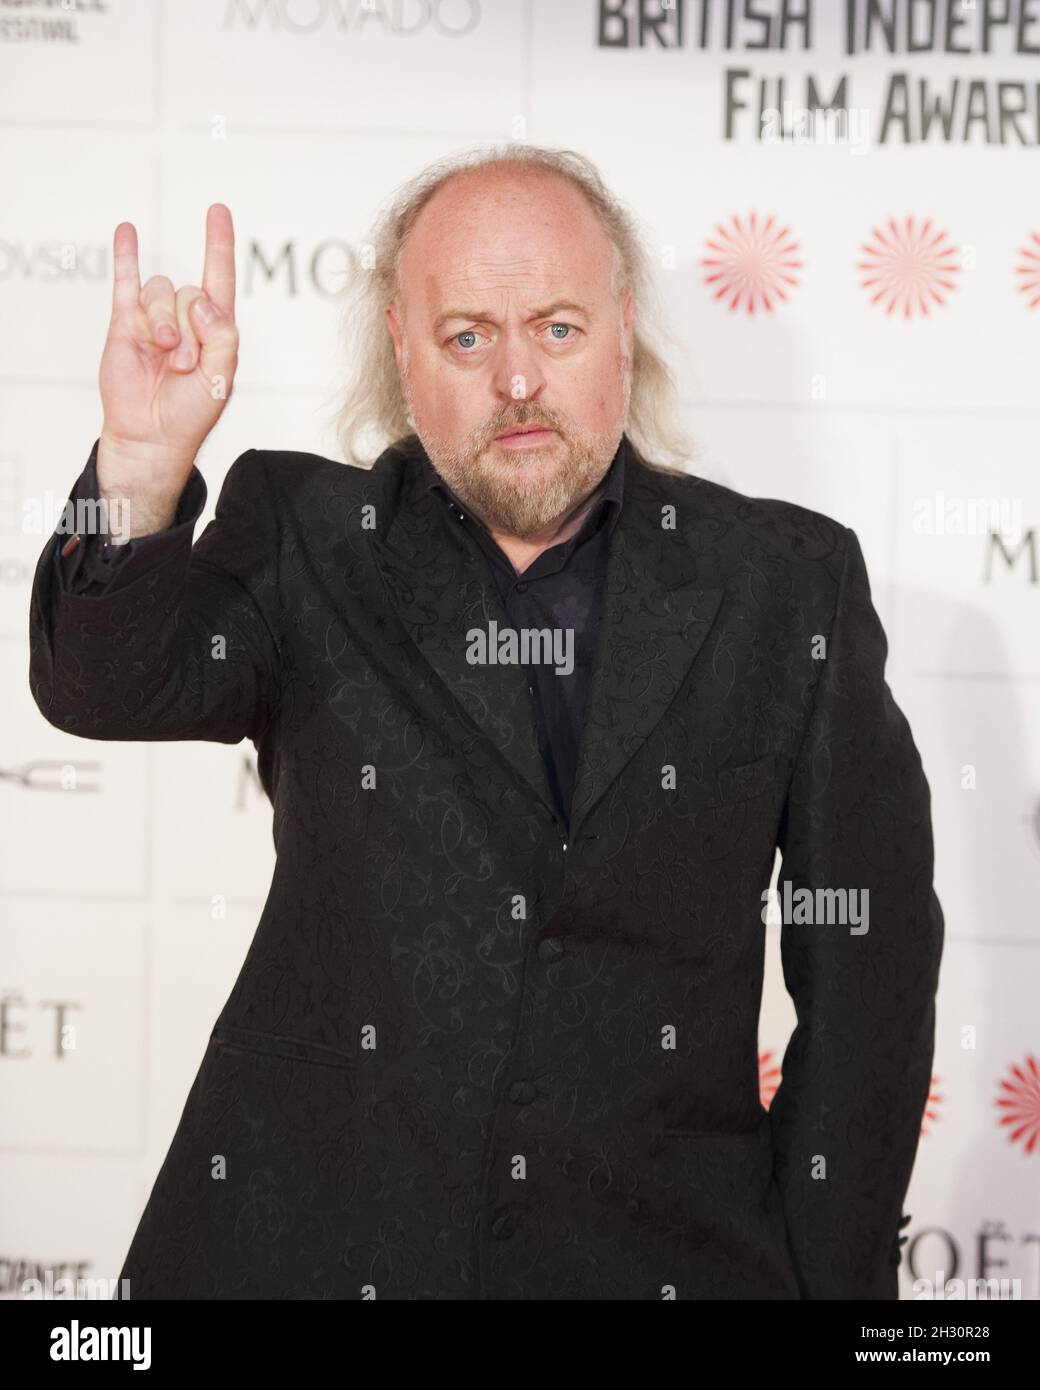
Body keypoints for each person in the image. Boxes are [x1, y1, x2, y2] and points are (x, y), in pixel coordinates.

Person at [28, 144, 943, 1300]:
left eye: (555, 329)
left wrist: (819, 1277)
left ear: (622, 328)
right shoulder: (305, 538)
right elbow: (102, 688)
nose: (517, 379)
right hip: (302, 1250)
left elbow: (870, 971)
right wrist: (140, 471)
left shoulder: (786, 585)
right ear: (402, 353)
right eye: (467, 337)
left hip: (657, 1259)